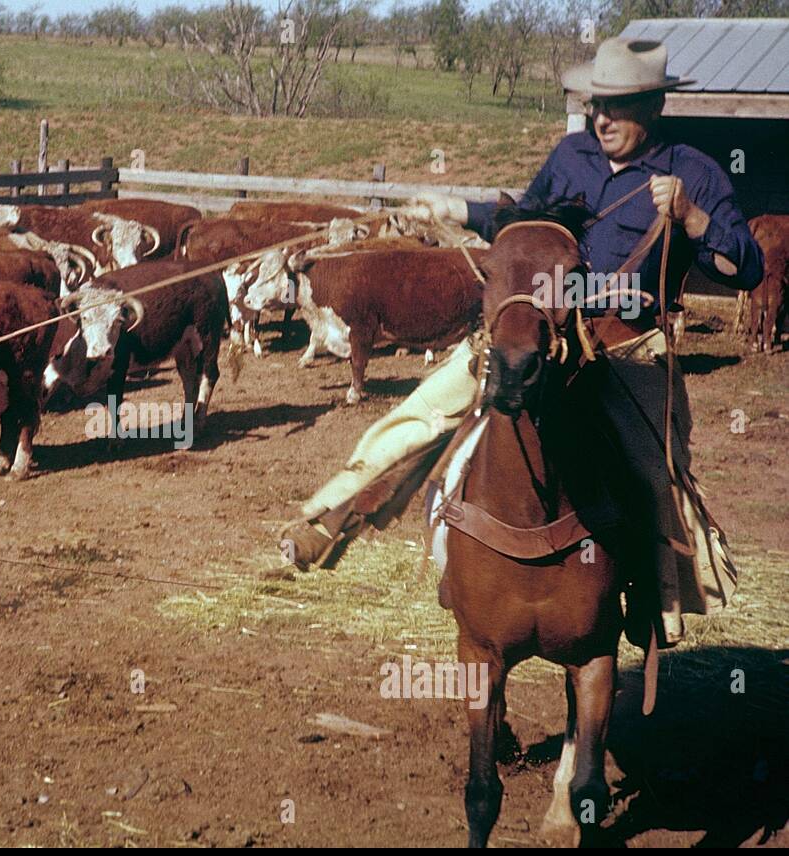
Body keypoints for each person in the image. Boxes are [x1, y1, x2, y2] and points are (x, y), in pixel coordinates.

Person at [280, 37, 763, 647]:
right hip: (542, 332)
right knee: (427, 412)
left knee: (652, 468)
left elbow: (744, 268)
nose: (602, 119)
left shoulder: (693, 171)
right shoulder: (571, 155)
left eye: (617, 107)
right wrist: (455, 207)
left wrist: (693, 218)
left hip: (627, 347)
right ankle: (332, 517)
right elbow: (524, 222)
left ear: (654, 107)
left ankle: (651, 598)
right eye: (596, 105)